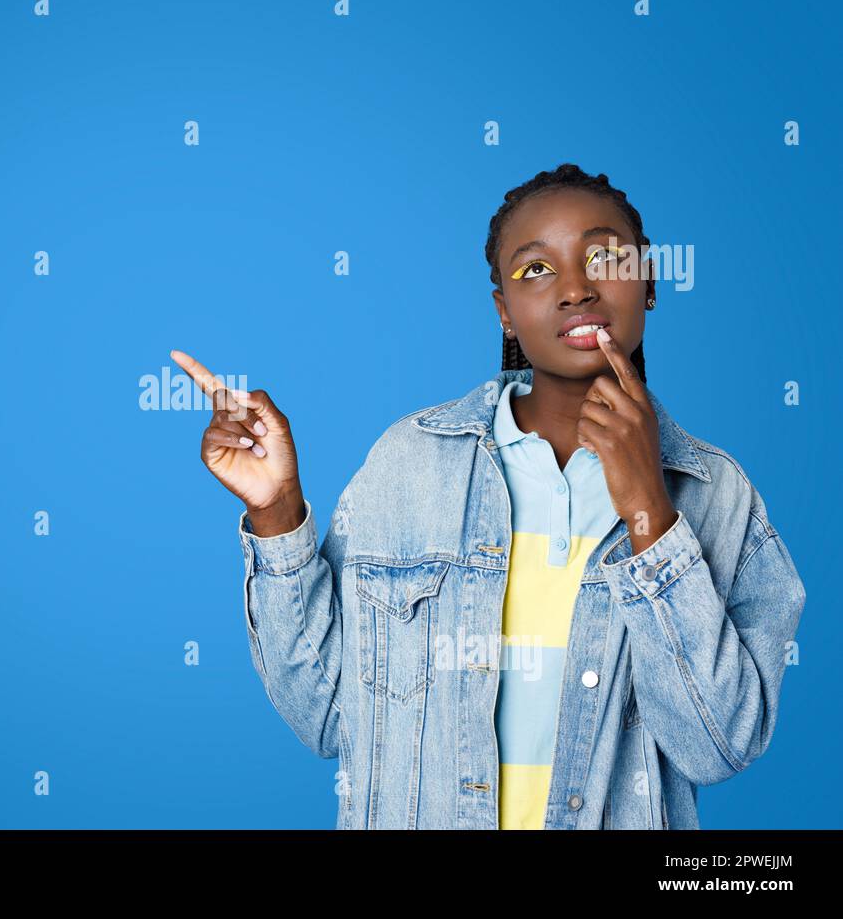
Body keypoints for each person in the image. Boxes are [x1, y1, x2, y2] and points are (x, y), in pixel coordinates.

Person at [171, 162, 806, 830]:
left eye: (604, 257)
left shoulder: (717, 495)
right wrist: (276, 513)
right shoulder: (408, 466)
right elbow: (328, 714)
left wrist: (650, 513)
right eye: (536, 270)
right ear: (504, 309)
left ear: (648, 281)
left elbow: (717, 746)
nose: (575, 289)